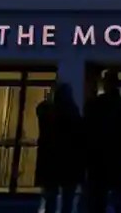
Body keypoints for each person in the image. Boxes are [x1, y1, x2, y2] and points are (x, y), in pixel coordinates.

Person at [83, 70, 121, 213]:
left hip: (98, 162)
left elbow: (85, 133)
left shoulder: (93, 106)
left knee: (97, 201)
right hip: (120, 161)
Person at [37, 83, 84, 213]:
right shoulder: (73, 115)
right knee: (67, 200)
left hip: (52, 163)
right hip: (69, 164)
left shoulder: (48, 114)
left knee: (51, 199)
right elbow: (80, 140)